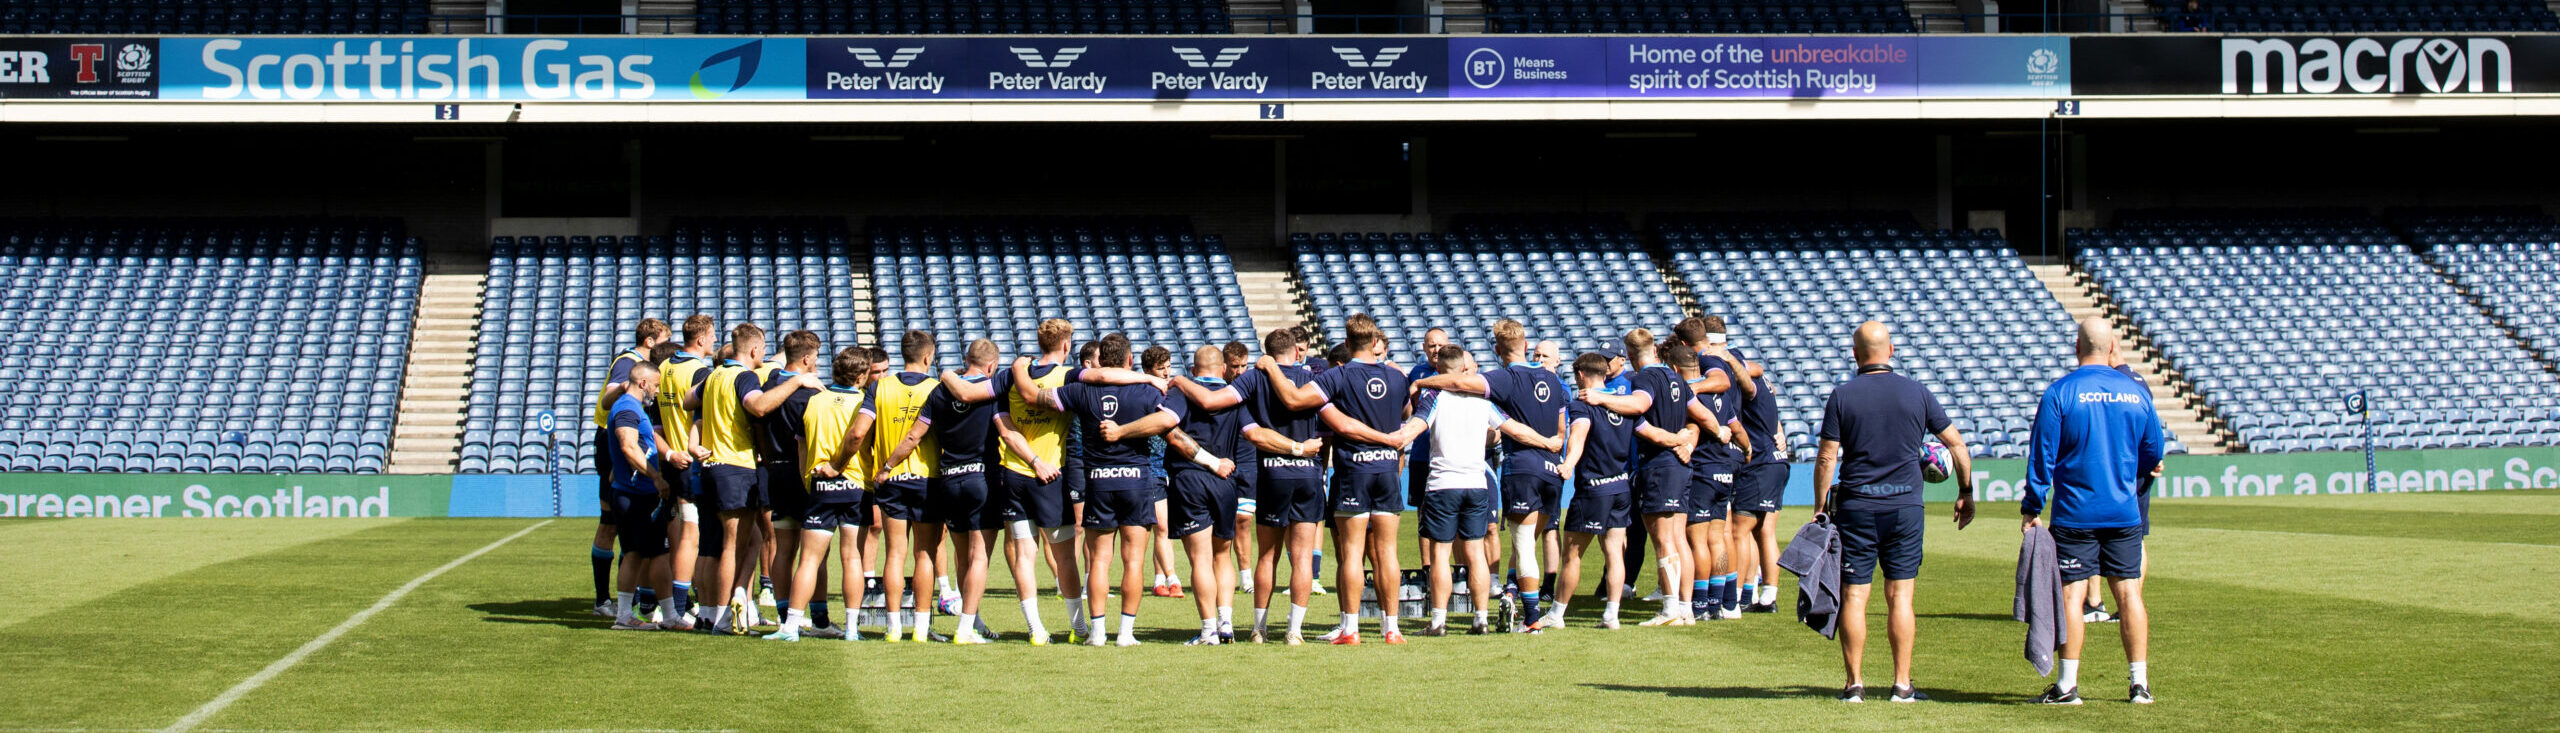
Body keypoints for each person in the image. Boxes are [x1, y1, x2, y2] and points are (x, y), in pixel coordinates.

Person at [1810, 321, 1977, 704]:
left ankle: (1854, 685)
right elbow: (1957, 445)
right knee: (1900, 596)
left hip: (1857, 506)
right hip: (1905, 507)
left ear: (1855, 355)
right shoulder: (1917, 392)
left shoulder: (1842, 395)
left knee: (1854, 596)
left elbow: (1827, 457)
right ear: (1892, 350)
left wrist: (1820, 507)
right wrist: (1965, 492)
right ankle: (1902, 685)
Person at [1260, 314, 1428, 645]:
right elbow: (1406, 414)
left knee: (1351, 553)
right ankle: (1391, 628)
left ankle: (1350, 628)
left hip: (1354, 470)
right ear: (1376, 342)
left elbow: (1294, 399)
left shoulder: (1338, 375)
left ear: (1348, 343)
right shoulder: (1397, 377)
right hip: (1388, 470)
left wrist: (1270, 368)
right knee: (1388, 552)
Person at [2023, 318, 2165, 706]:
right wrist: (2126, 474)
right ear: (2112, 346)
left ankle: (2067, 686)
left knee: (2072, 596)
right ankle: (2139, 685)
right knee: (2129, 593)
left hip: (2074, 513)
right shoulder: (2136, 393)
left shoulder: (2060, 393)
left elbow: (2042, 456)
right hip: (2123, 511)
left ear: (2076, 347)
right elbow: (2154, 450)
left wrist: (2032, 505)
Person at [1019, 334, 1177, 647]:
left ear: (1100, 362)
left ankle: (1098, 633)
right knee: (1133, 561)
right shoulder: (1148, 390)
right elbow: (1168, 423)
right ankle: (1126, 634)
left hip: (1098, 482)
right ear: (1130, 361)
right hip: (1136, 481)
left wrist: (1018, 369)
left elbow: (1033, 397)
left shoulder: (1081, 390)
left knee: (1100, 561)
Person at [1410, 319, 1567, 633]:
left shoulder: (1494, 381)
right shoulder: (1548, 381)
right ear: (1526, 346)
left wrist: (1419, 385)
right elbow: (1527, 428)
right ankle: (1487, 613)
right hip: (1524, 474)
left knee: (1454, 551)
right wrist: (1550, 443)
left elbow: (1446, 395)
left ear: (1497, 349)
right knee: (1485, 549)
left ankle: (1523, 619)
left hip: (1470, 478)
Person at [887, 339, 1011, 644]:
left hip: (948, 480)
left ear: (966, 359)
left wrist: (888, 465)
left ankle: (973, 620)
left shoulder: (939, 391)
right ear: (992, 365)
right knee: (979, 556)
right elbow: (1006, 432)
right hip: (981, 479)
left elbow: (915, 435)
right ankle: (966, 627)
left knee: (962, 555)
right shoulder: (992, 390)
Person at [1119, 345, 1246, 645]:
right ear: (1224, 368)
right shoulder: (1234, 393)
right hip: (1226, 479)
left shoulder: (1180, 392)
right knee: (1222, 556)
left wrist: (1123, 430)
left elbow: (1166, 424)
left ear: (1192, 370)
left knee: (1200, 559)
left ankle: (1209, 631)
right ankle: (1226, 624)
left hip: (1191, 479)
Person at [1582, 331, 1701, 626]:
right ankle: (1686, 608)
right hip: (1680, 467)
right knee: (1679, 538)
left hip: (1658, 466)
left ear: (1631, 356)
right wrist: (1690, 442)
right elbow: (1701, 416)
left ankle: (1670, 609)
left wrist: (1599, 397)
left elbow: (1638, 406)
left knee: (1663, 540)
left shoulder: (1645, 378)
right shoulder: (1676, 378)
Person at [767, 346, 876, 642]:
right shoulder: (864, 403)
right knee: (852, 557)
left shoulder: (815, 400)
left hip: (820, 485)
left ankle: (790, 627)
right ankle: (852, 629)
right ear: (861, 376)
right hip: (855, 485)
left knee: (809, 560)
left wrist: (807, 480)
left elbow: (801, 445)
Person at [989, 319, 1086, 644]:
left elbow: (1004, 427)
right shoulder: (1068, 376)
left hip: (1014, 474)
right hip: (1051, 476)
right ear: (1066, 345)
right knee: (1065, 556)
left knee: (1024, 555)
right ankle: (1079, 628)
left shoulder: (1010, 376)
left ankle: (1036, 630)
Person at [745, 331, 836, 638]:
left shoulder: (768, 386)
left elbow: (758, 429)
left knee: (784, 549)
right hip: (805, 474)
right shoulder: (810, 392)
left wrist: (769, 460)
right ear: (807, 359)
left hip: (776, 472)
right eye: (817, 357)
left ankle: (785, 617)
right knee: (816, 551)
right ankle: (819, 620)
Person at [1543, 353, 1638, 631]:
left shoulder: (1583, 404)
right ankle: (1611, 615)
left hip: (1594, 489)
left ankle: (1557, 614)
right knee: (1614, 553)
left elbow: (1579, 436)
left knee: (1572, 555)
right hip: (1621, 486)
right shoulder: (1624, 403)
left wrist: (1568, 464)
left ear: (1581, 375)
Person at [691, 323, 772, 634]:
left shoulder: (714, 375)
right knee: (731, 545)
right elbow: (758, 406)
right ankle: (724, 617)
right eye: (763, 349)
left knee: (749, 540)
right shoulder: (744, 376)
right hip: (735, 465)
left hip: (713, 467)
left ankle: (732, 602)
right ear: (753, 350)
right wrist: (796, 383)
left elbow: (687, 400)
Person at [869, 331, 946, 642]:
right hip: (928, 478)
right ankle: (922, 629)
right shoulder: (937, 388)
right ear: (928, 356)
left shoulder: (879, 387)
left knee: (894, 554)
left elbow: (863, 431)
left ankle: (893, 627)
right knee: (925, 553)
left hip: (891, 479)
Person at [590, 318, 670, 616]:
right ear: (650, 341)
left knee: (631, 531)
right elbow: (609, 398)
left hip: (621, 440)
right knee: (613, 524)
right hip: (614, 441)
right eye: (664, 342)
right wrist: (629, 388)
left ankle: (633, 600)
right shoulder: (629, 363)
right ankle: (606, 600)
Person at [1673, 317, 1750, 621]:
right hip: (1724, 468)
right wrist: (1748, 449)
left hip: (1704, 468)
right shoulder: (1720, 390)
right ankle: (1720, 601)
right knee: (1718, 537)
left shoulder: (1694, 393)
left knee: (1698, 540)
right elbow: (1736, 426)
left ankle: (1701, 603)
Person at [654, 315, 717, 630]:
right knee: (693, 536)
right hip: (692, 463)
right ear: (702, 339)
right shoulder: (699, 372)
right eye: (712, 335)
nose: (714, 341)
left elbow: (654, 421)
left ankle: (673, 605)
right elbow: (703, 419)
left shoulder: (665, 367)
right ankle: (678, 610)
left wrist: (668, 451)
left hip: (672, 460)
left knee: (681, 534)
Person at [606, 360, 675, 631]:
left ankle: (669, 615)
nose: (657, 391)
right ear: (643, 383)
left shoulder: (633, 408)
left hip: (638, 493)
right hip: (636, 495)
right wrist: (656, 477)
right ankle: (625, 616)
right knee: (638, 554)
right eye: (656, 385)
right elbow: (628, 446)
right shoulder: (626, 408)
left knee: (654, 554)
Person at [1724, 320, 1786, 613]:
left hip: (1759, 462)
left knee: (1740, 531)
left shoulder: (1748, 384)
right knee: (1763, 532)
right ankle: (1765, 595)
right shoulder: (1765, 384)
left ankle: (1734, 598)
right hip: (1775, 462)